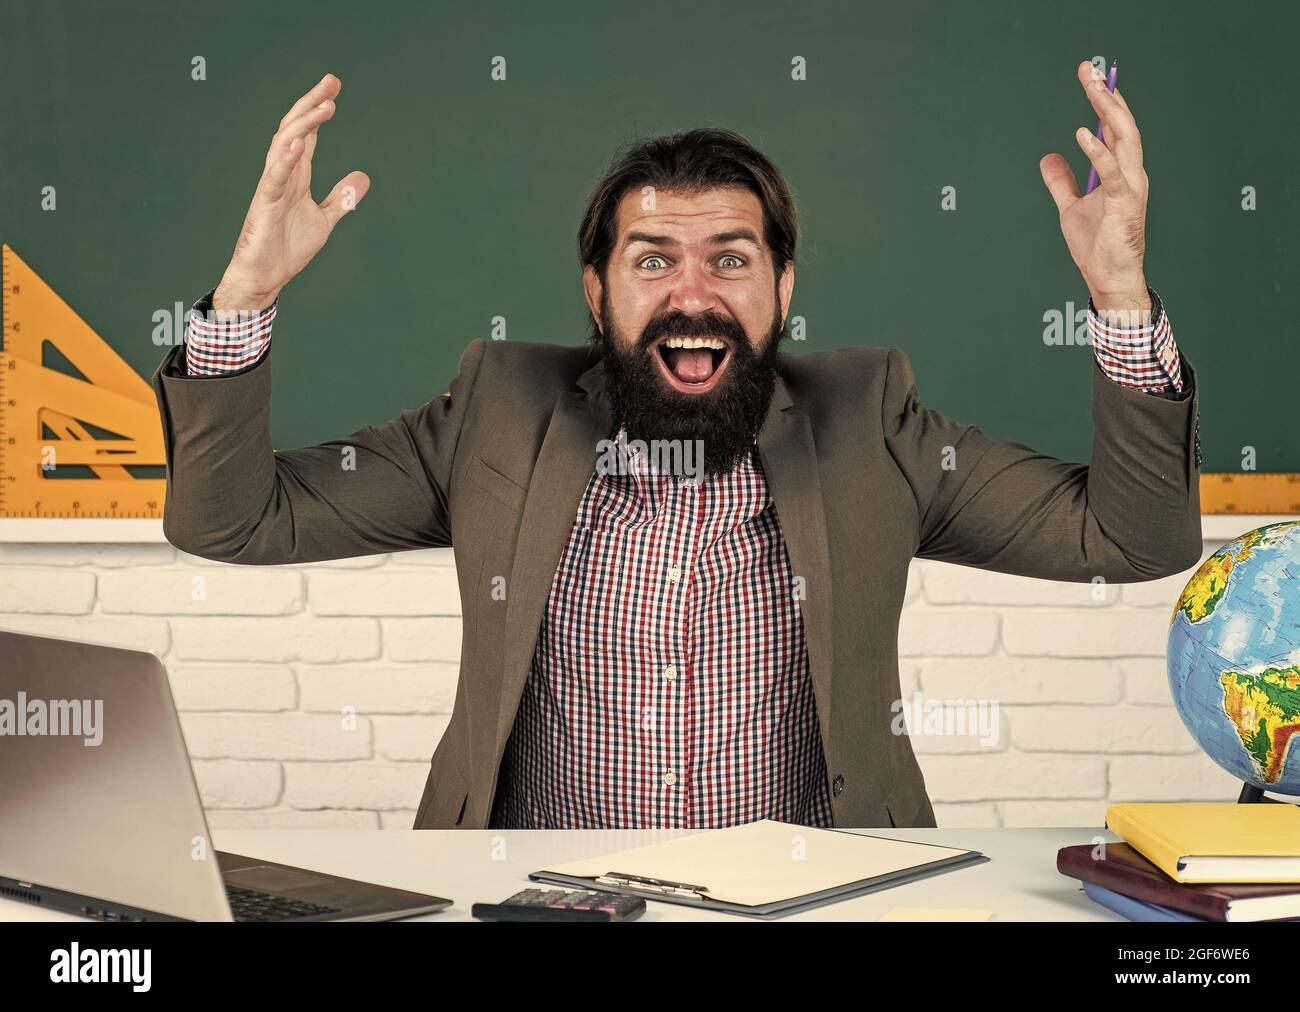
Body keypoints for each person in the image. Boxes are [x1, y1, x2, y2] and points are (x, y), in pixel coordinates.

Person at [152, 64, 1201, 831]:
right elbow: (232, 522)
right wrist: (247, 293)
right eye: (651, 259)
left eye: (730, 259)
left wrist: (1117, 296)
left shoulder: (866, 417)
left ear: (782, 289)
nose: (691, 295)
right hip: (536, 902)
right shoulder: (497, 411)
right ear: (596, 290)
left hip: (812, 901)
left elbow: (1132, 536)